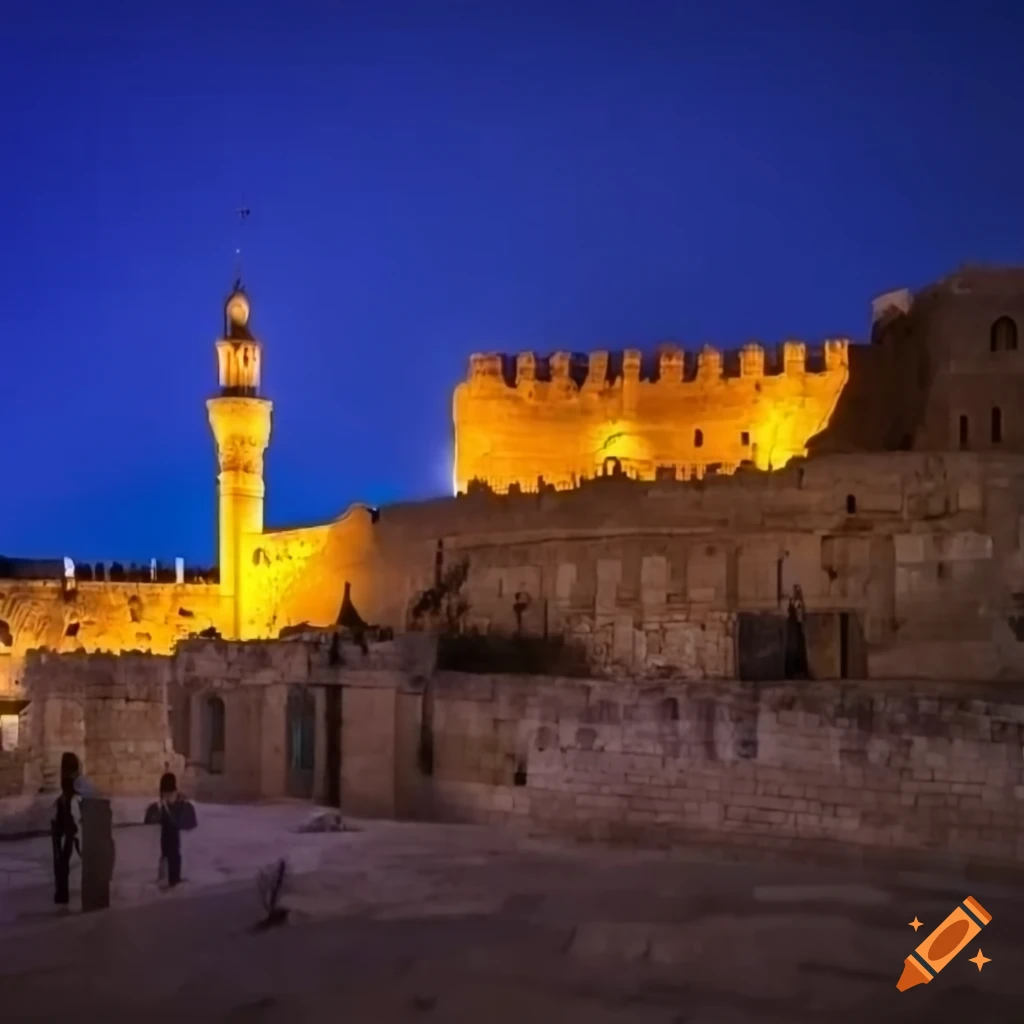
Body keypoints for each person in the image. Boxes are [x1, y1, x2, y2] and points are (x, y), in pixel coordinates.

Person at [143, 772, 197, 889]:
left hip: (181, 857)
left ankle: (174, 879)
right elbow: (147, 829)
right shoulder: (155, 808)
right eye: (164, 793)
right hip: (161, 858)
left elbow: (191, 826)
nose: (167, 796)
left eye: (170, 793)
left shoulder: (185, 807)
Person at [50, 752, 82, 906]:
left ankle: (62, 893)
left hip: (63, 819)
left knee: (61, 859)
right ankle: (62, 893)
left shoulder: (67, 780)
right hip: (69, 820)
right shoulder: (75, 780)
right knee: (71, 854)